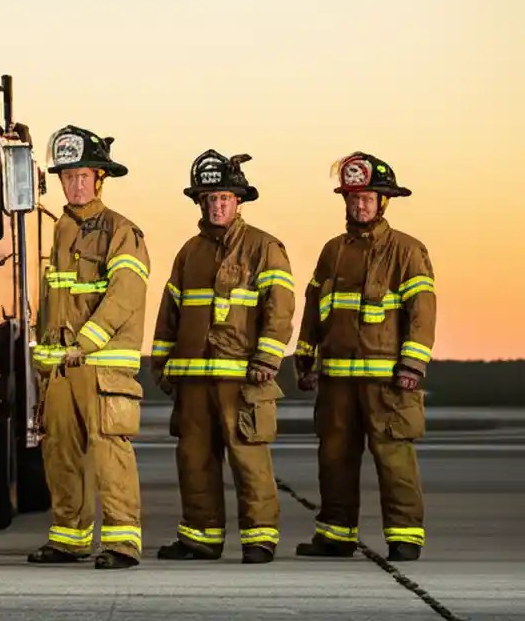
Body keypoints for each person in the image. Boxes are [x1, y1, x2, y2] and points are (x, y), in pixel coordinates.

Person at [151, 150, 294, 564]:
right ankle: (201, 539)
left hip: (244, 382)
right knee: (194, 461)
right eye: (210, 198)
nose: (217, 205)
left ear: (239, 201)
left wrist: (268, 358)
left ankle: (260, 540)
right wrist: (161, 366)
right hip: (193, 381)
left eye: (225, 198)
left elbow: (280, 307)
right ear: (200, 202)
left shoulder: (264, 247)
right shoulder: (189, 252)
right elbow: (169, 314)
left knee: (250, 461)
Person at [294, 152, 435, 563]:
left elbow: (422, 313)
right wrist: (305, 356)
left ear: (383, 202)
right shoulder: (332, 250)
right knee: (334, 457)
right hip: (336, 380)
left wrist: (412, 364)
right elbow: (313, 306)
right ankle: (335, 536)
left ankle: (405, 537)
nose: (359, 206)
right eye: (352, 198)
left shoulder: (407, 251)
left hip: (387, 382)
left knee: (395, 459)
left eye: (367, 199)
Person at [27, 125, 150, 570]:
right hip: (62, 368)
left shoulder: (122, 230)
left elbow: (125, 294)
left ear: (100, 179)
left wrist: (85, 343)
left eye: (84, 176)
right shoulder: (58, 231)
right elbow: (50, 303)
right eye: (68, 176)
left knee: (109, 452)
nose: (76, 184)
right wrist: (45, 361)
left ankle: (121, 543)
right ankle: (69, 539)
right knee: (59, 451)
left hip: (102, 367)